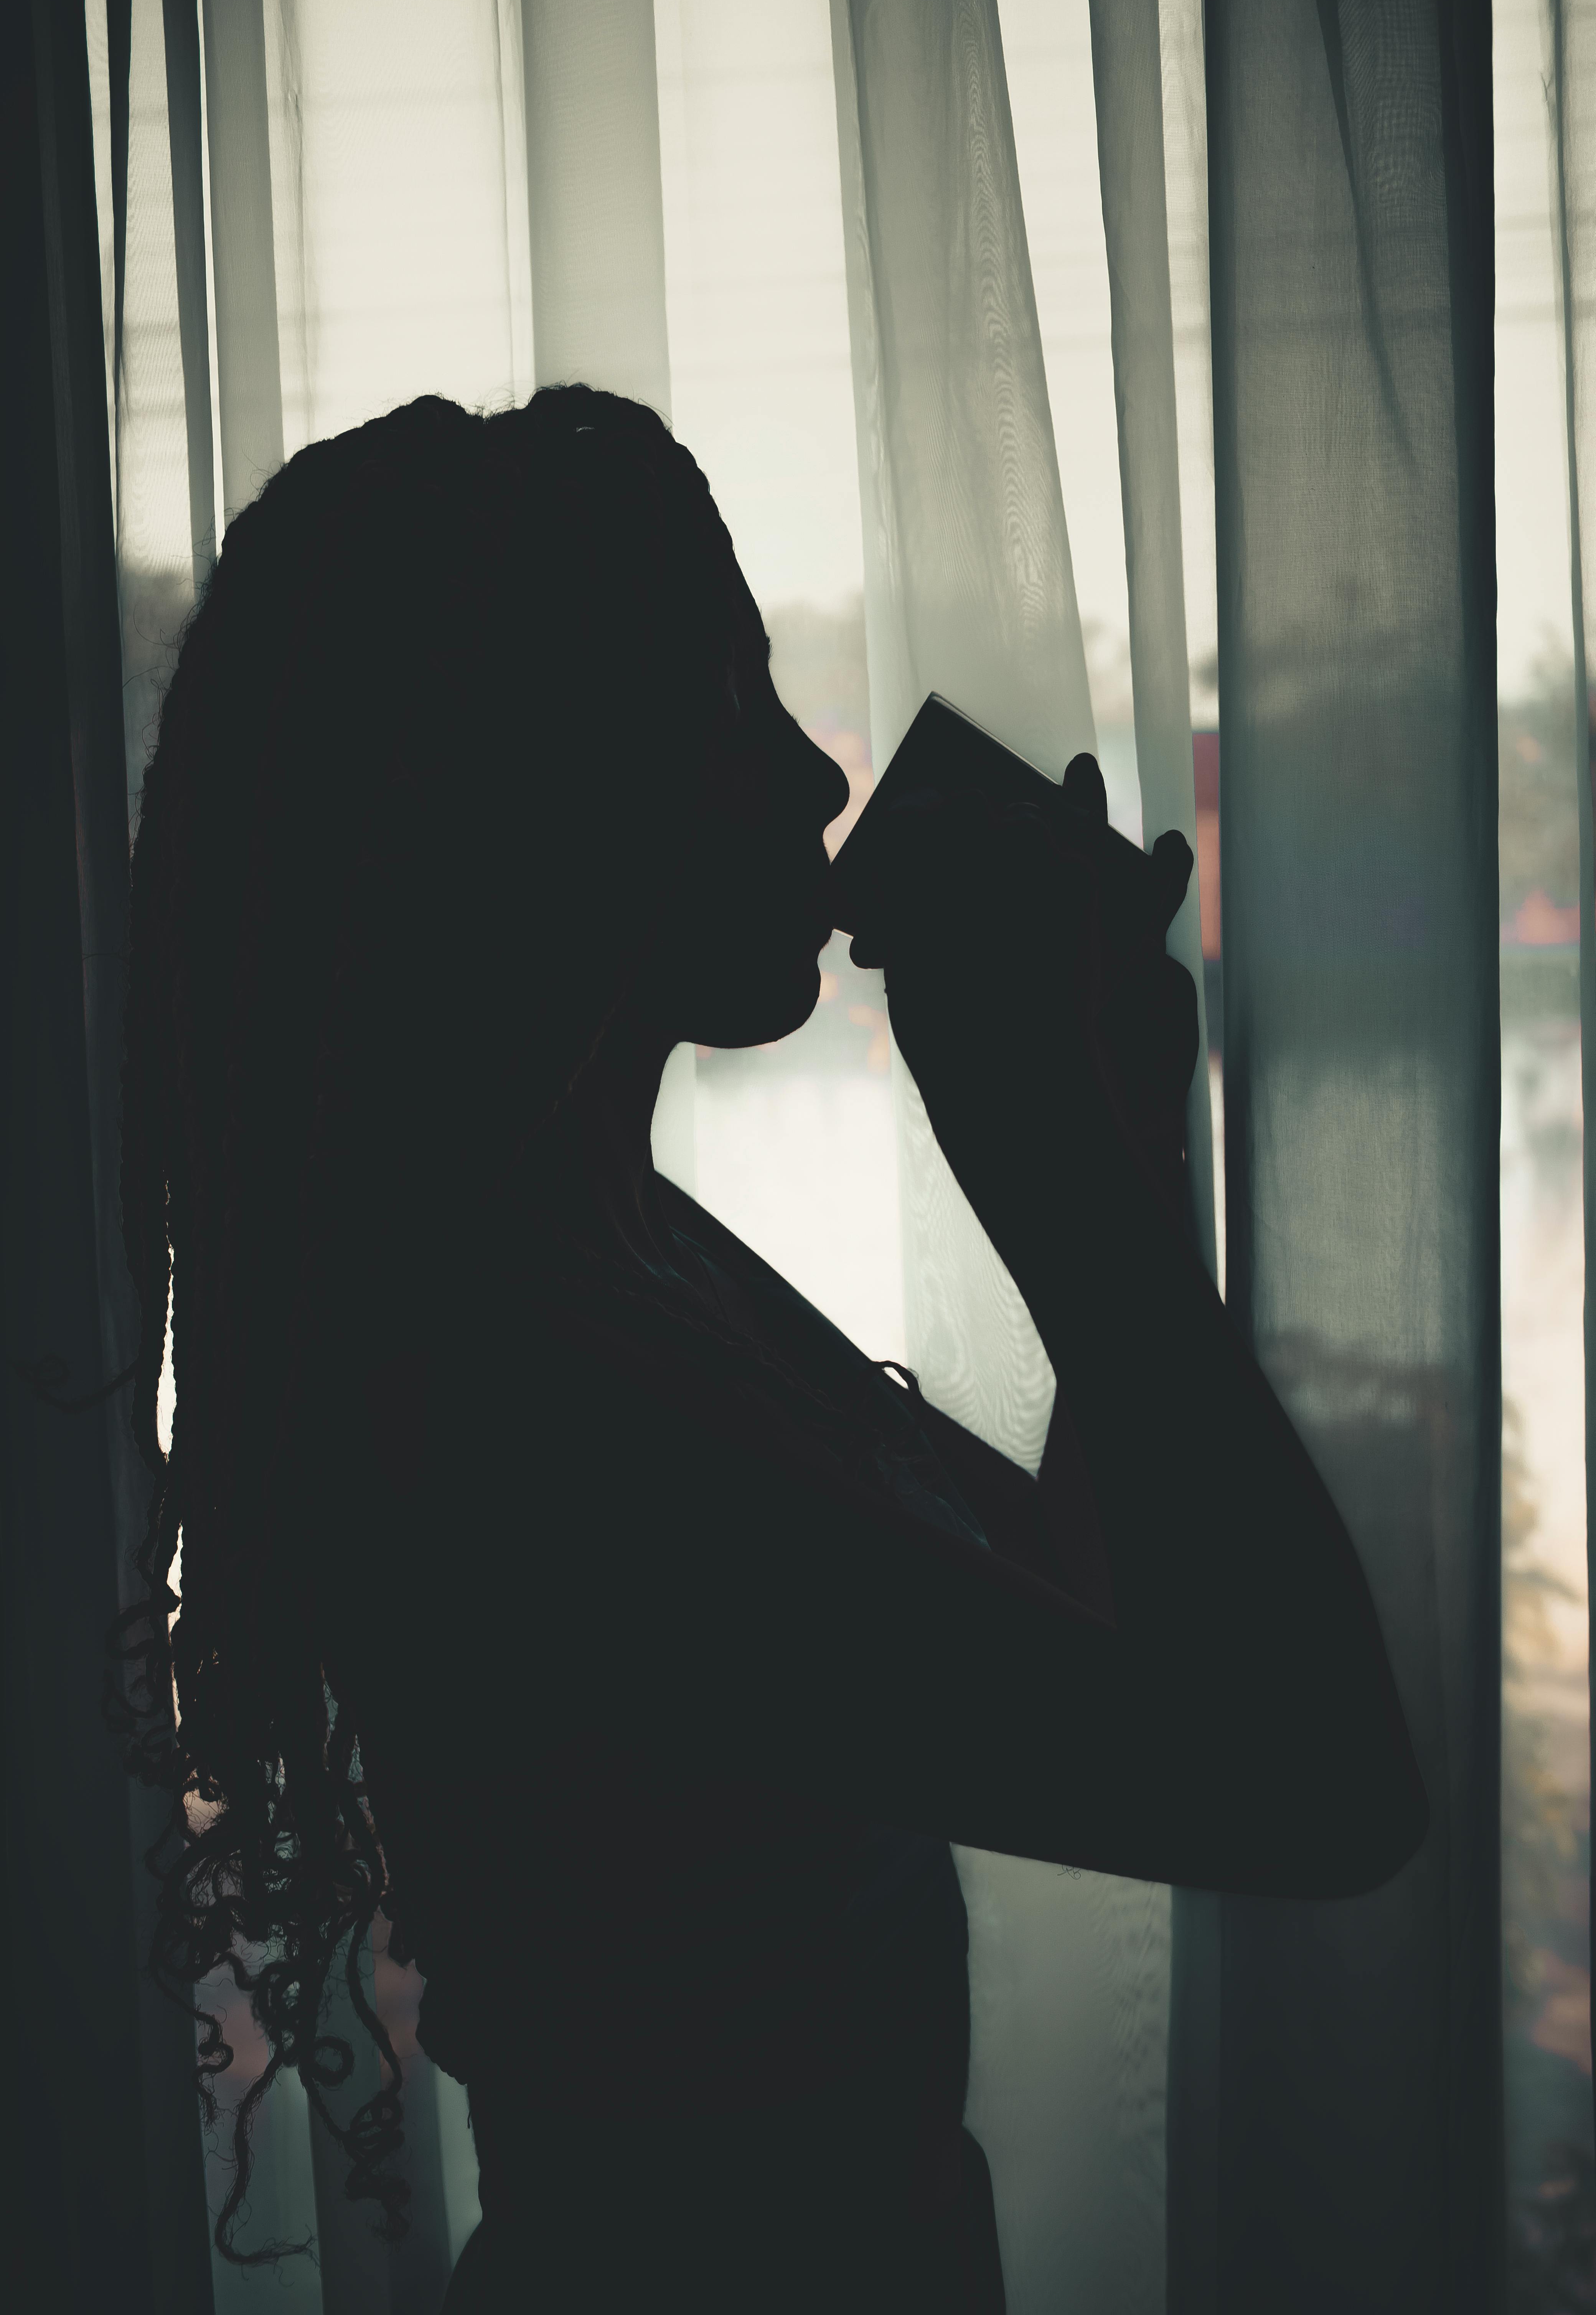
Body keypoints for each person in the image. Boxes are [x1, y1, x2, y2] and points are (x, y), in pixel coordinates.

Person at [112, 386, 1426, 2311]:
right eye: (730, 707)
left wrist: (1113, 1146)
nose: (819, 778)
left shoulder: (622, 1265)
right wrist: (1058, 1174)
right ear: (540, 799)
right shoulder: (536, 1408)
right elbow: (1318, 1794)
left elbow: (1080, 1600)